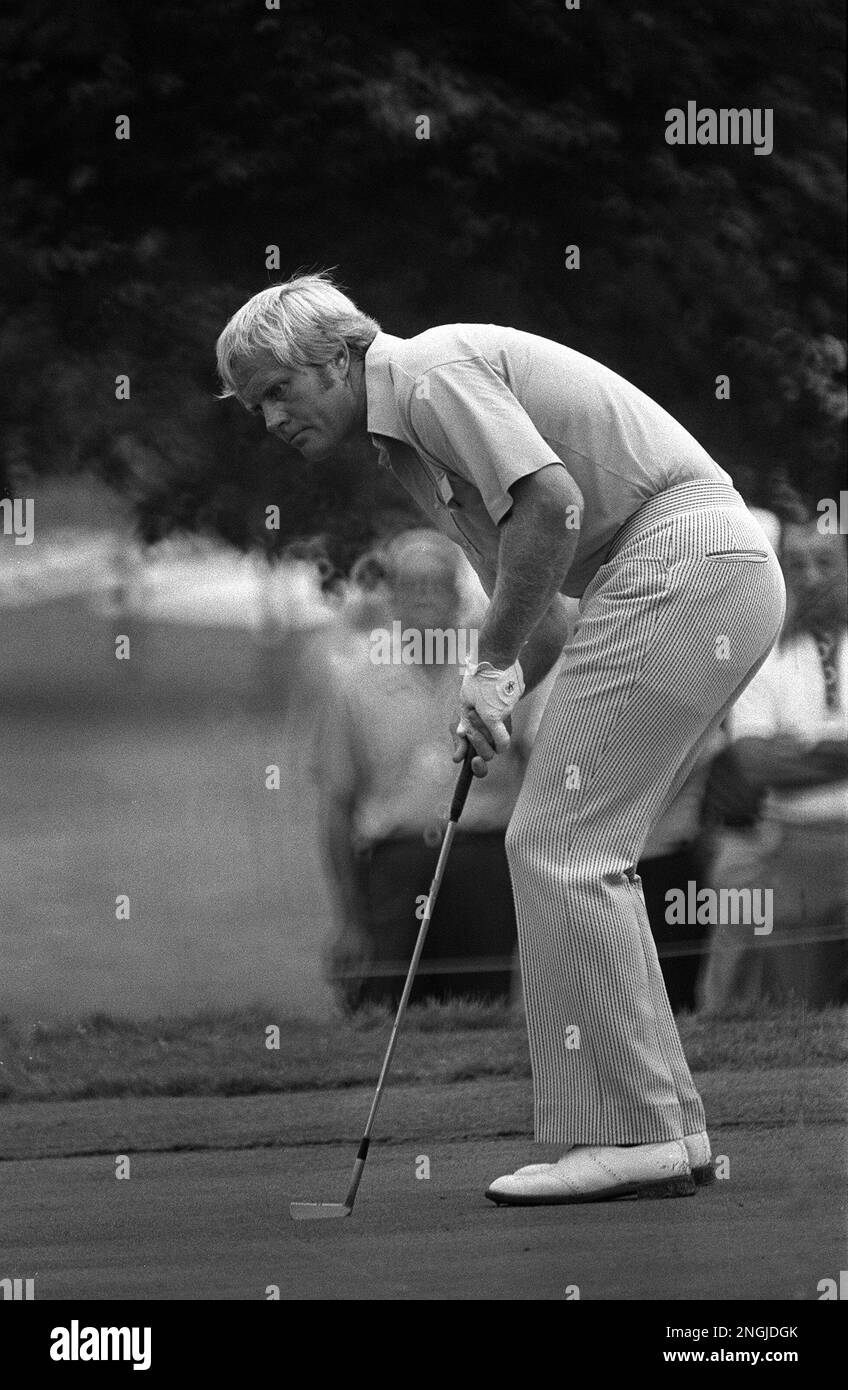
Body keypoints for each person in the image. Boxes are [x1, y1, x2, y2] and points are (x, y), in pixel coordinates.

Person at [216, 271, 786, 1205]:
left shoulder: (433, 373)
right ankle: (668, 1132)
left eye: (279, 388)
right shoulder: (407, 446)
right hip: (683, 573)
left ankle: (628, 1134)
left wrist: (485, 666)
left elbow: (554, 510)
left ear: (340, 355)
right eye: (254, 406)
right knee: (580, 845)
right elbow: (545, 607)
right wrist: (500, 691)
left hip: (682, 561)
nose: (272, 417)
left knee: (559, 842)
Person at [311, 528, 541, 1010]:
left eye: (436, 584)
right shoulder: (353, 683)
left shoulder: (496, 676)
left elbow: (538, 781)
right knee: (388, 1008)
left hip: (483, 864)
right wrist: (349, 921)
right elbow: (336, 805)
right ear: (389, 598)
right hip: (394, 867)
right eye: (410, 585)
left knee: (481, 1010)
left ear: (459, 596)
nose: (423, 597)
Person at [699, 518, 848, 1011]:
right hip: (793, 849)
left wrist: (802, 751)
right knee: (805, 1006)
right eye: (796, 563)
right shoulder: (765, 652)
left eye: (824, 561)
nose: (809, 575)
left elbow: (773, 756)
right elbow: (755, 763)